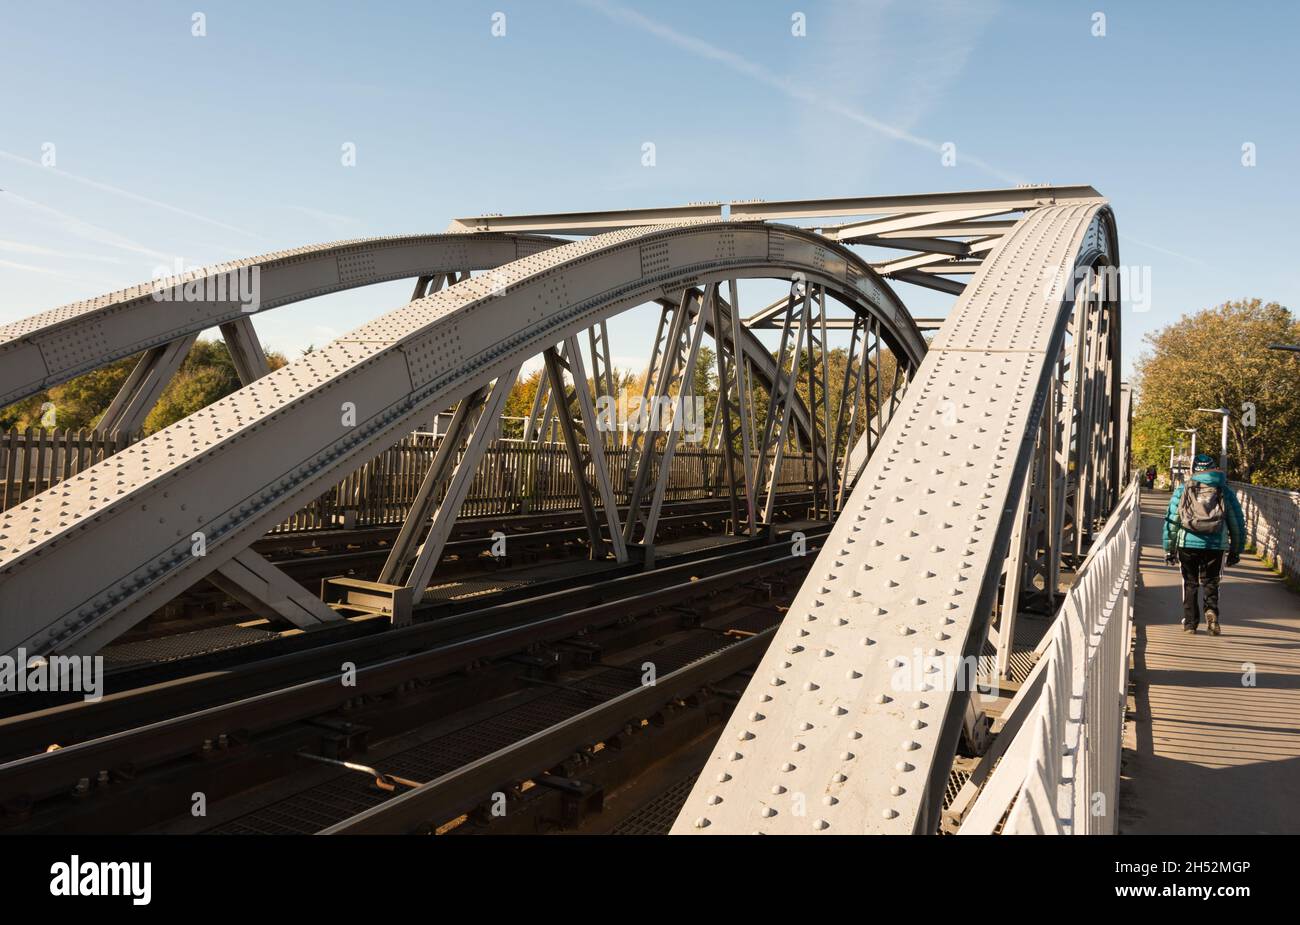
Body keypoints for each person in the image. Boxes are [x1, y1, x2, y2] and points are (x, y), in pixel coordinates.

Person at [1162, 453, 1245, 635]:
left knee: (1190, 583)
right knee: (1211, 582)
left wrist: (1169, 549)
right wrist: (1236, 550)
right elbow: (1236, 521)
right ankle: (1211, 612)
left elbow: (1172, 521)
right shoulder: (1224, 490)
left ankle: (1190, 624)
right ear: (1214, 468)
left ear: (1193, 469)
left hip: (1187, 543)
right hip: (1216, 545)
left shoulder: (1183, 489)